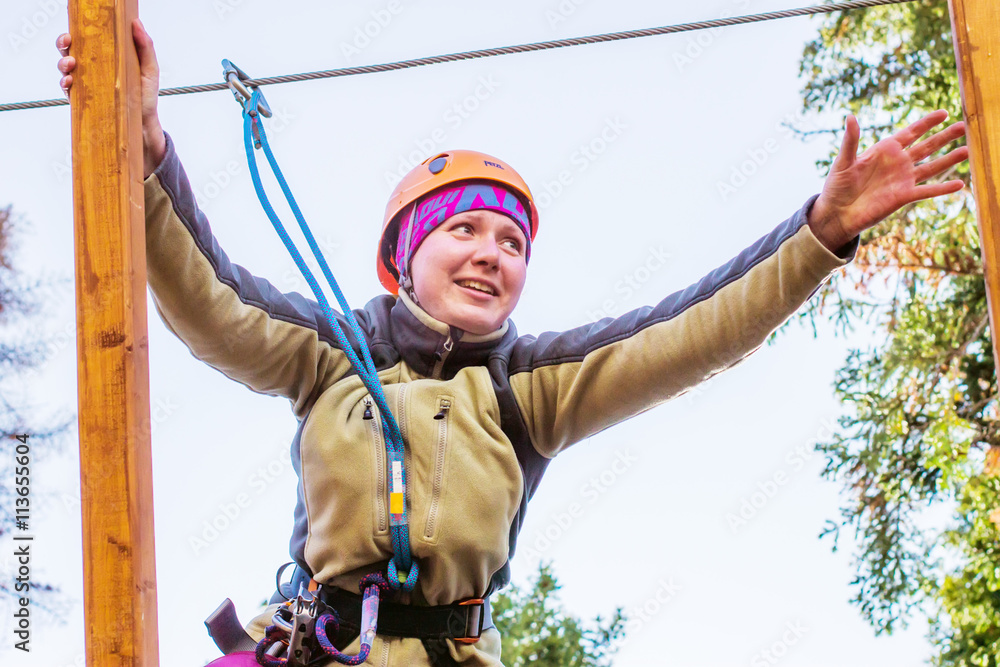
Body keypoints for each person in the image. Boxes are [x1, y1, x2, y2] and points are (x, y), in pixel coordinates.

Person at [57, 17, 969, 667]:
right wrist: (141, 144)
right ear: (402, 259)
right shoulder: (332, 351)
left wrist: (820, 232)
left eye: (513, 244)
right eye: (464, 231)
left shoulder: (531, 387)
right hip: (316, 649)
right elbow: (209, 299)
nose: (492, 254)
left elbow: (693, 331)